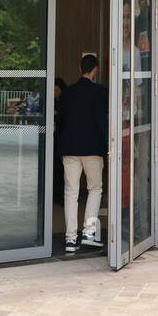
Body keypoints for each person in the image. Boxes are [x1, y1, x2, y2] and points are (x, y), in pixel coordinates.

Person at [56, 54, 107, 254]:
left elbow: (60, 122)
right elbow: (101, 122)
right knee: (95, 189)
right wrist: (107, 146)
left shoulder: (67, 92)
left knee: (71, 192)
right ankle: (88, 234)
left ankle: (70, 239)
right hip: (93, 149)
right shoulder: (99, 92)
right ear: (95, 70)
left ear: (80, 68)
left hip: (69, 149)